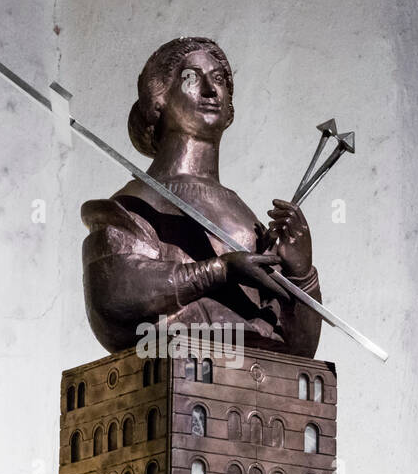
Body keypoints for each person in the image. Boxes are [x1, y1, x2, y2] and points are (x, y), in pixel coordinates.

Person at [82, 37, 322, 357]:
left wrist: (302, 275)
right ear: (158, 101)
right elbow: (114, 298)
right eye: (191, 77)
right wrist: (220, 271)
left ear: (230, 111)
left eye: (220, 78)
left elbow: (297, 352)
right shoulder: (133, 204)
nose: (211, 89)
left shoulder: (246, 220)